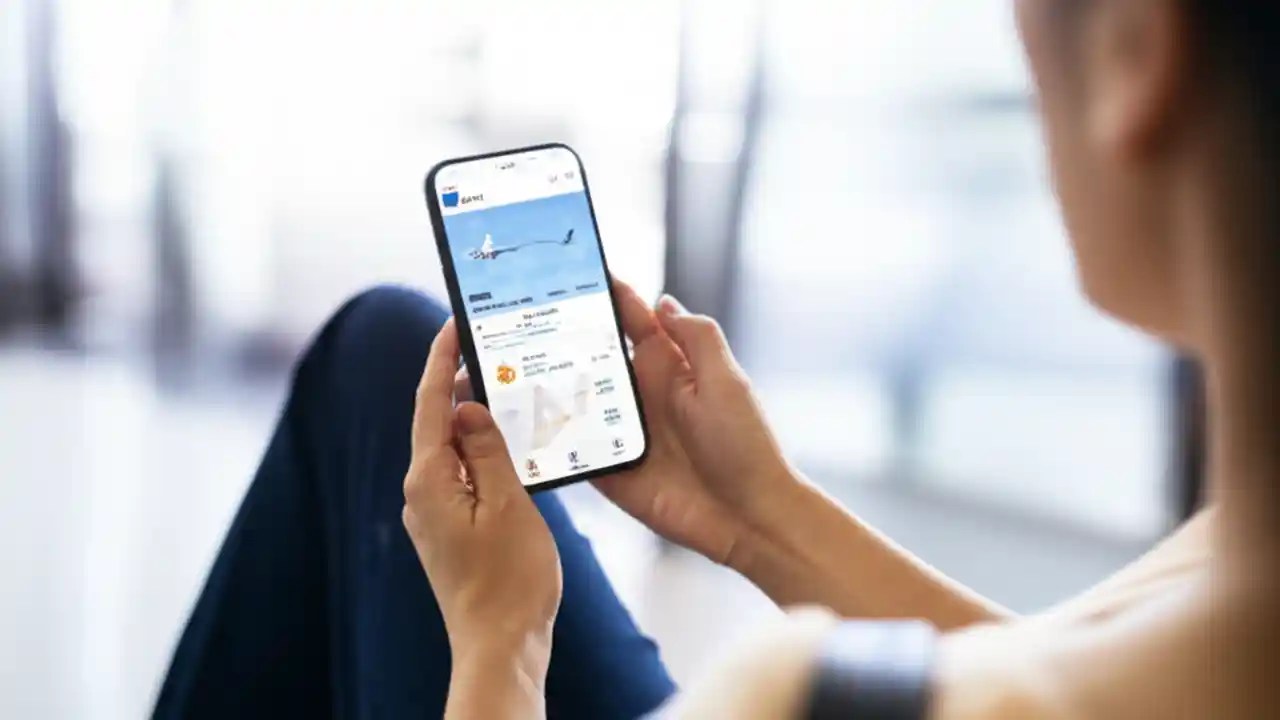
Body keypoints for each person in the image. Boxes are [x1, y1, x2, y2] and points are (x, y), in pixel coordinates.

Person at [154, 0, 1279, 717]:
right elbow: (1078, 672)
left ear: (1139, 45)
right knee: (382, 349)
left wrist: (502, 639)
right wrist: (756, 512)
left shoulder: (797, 699)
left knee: (380, 359)